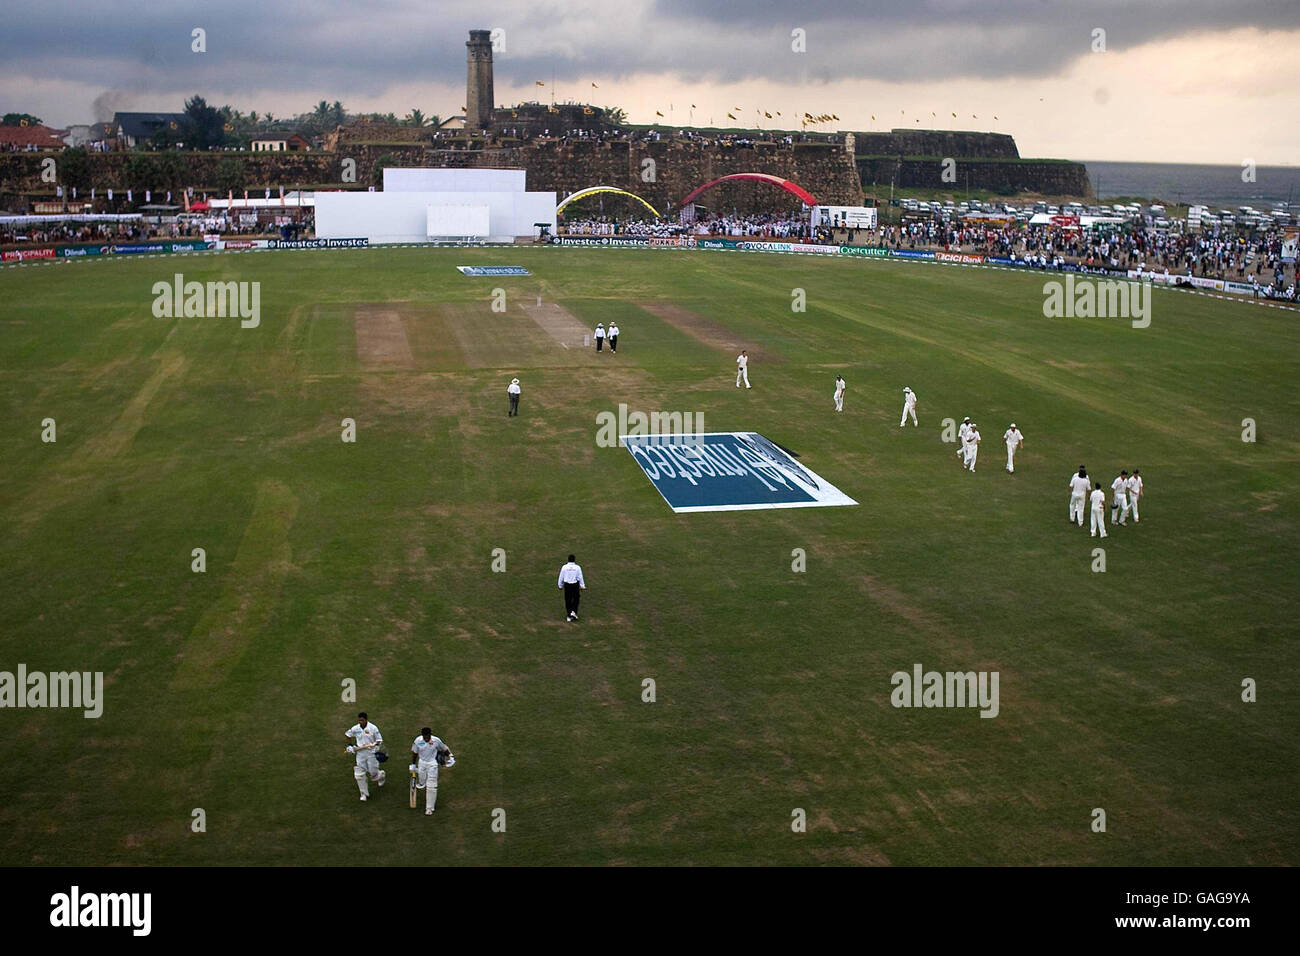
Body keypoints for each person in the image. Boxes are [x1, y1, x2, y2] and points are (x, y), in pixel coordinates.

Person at [344, 712, 386, 802]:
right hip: (360, 753)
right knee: (359, 774)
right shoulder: (356, 728)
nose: (360, 722)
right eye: (359, 720)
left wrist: (373, 744)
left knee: (373, 774)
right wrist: (350, 746)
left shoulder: (373, 728)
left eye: (362, 720)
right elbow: (348, 734)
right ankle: (363, 794)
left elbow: (379, 740)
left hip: (372, 753)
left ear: (366, 720)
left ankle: (381, 775)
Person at [410, 727, 451, 816]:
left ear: (430, 734)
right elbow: (415, 753)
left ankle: (429, 808)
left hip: (432, 763)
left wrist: (451, 756)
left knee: (431, 786)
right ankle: (422, 783)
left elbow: (444, 748)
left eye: (428, 737)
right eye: (425, 737)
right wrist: (413, 765)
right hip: (422, 763)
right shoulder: (418, 741)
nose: (426, 739)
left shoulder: (436, 740)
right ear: (422, 735)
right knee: (422, 783)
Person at [557, 554, 586, 621]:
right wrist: (582, 586)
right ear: (574, 560)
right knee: (576, 599)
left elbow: (561, 576)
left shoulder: (564, 567)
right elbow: (580, 577)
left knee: (568, 600)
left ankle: (569, 615)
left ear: (568, 559)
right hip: (575, 585)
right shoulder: (577, 567)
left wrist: (560, 585)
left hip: (567, 585)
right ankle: (573, 612)